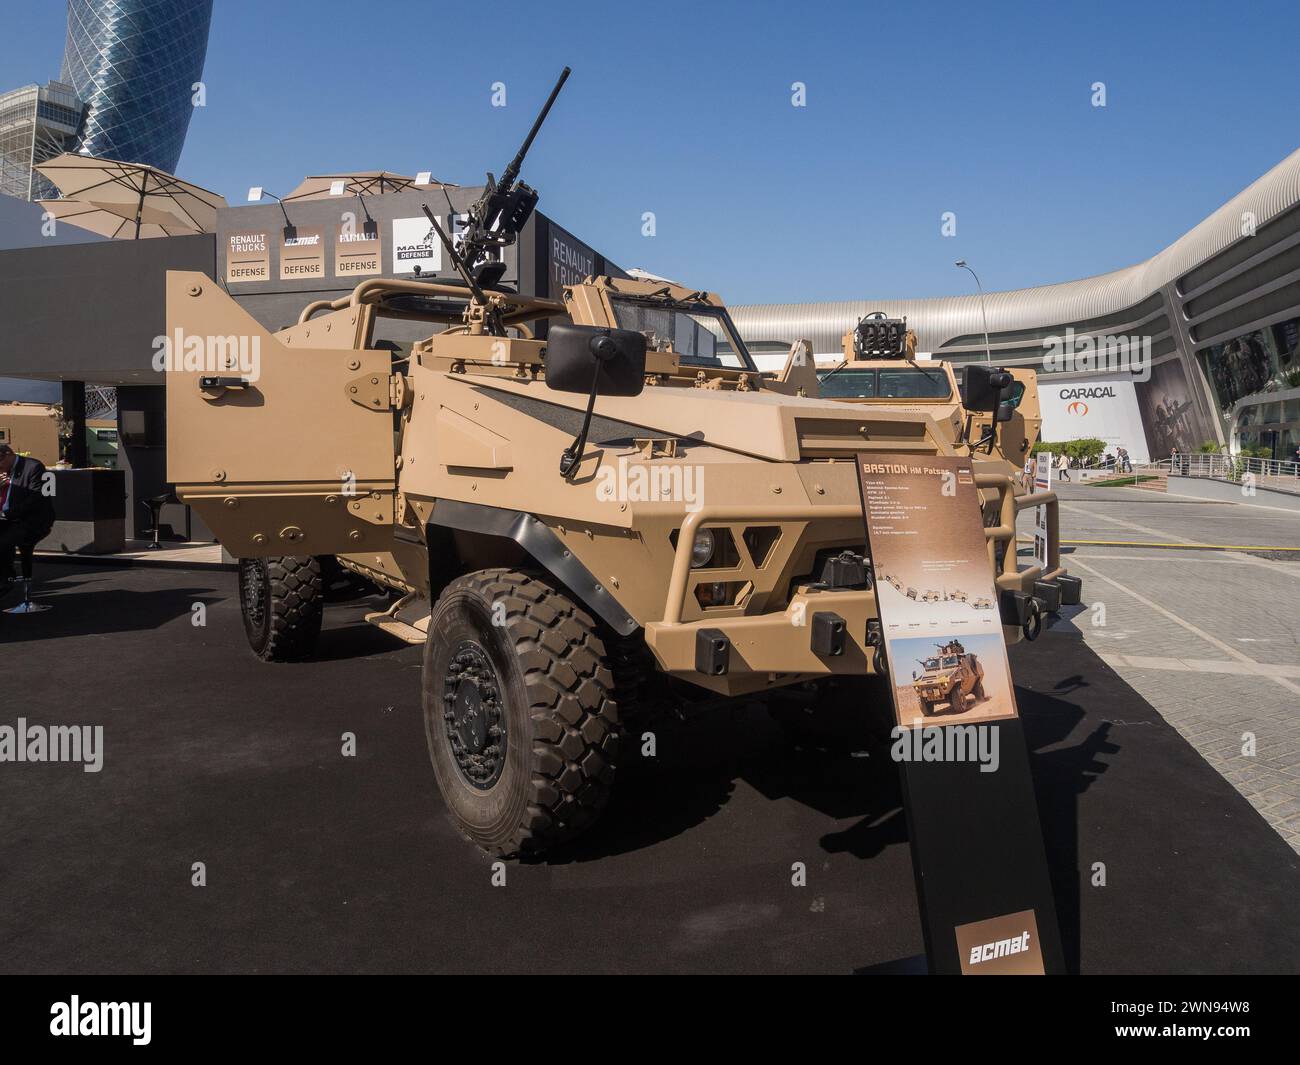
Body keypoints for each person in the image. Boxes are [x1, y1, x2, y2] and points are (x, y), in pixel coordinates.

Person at [0, 443, 56, 583]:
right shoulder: (5, 473)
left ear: (8, 456)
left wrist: (7, 513)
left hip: (31, 520)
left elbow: (36, 498)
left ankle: (6, 578)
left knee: (4, 542)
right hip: (8, 519)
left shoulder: (33, 467)